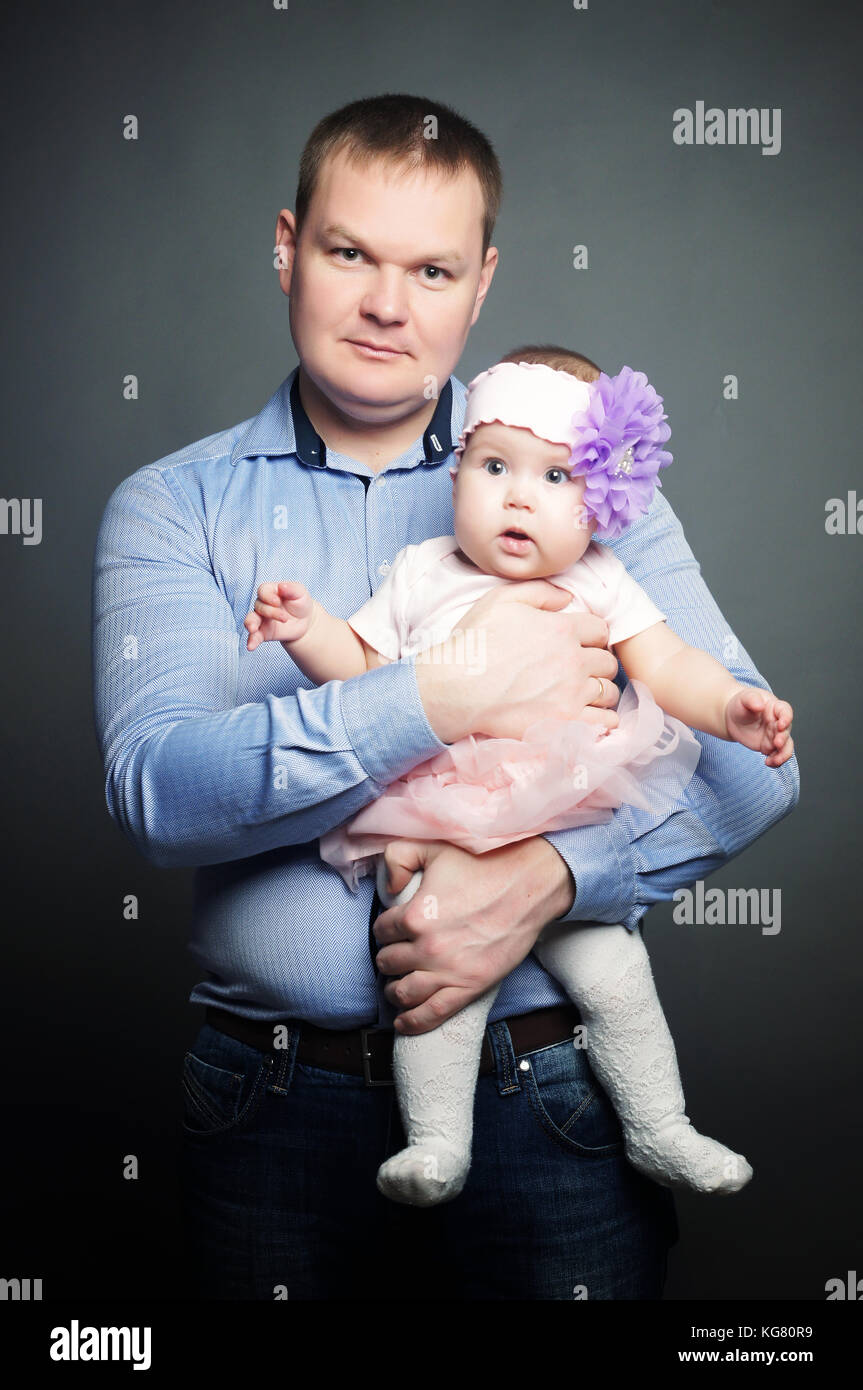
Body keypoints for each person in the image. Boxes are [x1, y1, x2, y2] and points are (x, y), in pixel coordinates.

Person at [91, 93, 800, 1300]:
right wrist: (449, 691)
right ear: (284, 247)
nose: (385, 304)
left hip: (551, 1103)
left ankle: (656, 1116)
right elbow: (162, 794)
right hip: (268, 1106)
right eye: (347, 252)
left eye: (430, 268)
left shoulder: (578, 490)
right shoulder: (172, 505)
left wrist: (549, 879)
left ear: (480, 284)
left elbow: (749, 759)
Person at [244, 347, 794, 1208]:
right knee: (440, 980)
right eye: (494, 466)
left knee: (614, 976)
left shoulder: (600, 579)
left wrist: (728, 708)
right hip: (444, 811)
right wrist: (306, 627)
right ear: (457, 470)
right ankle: (435, 1146)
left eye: (555, 477)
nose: (517, 496)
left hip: (561, 815)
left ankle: (659, 1127)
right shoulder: (423, 572)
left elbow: (670, 661)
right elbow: (356, 666)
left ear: (601, 507)